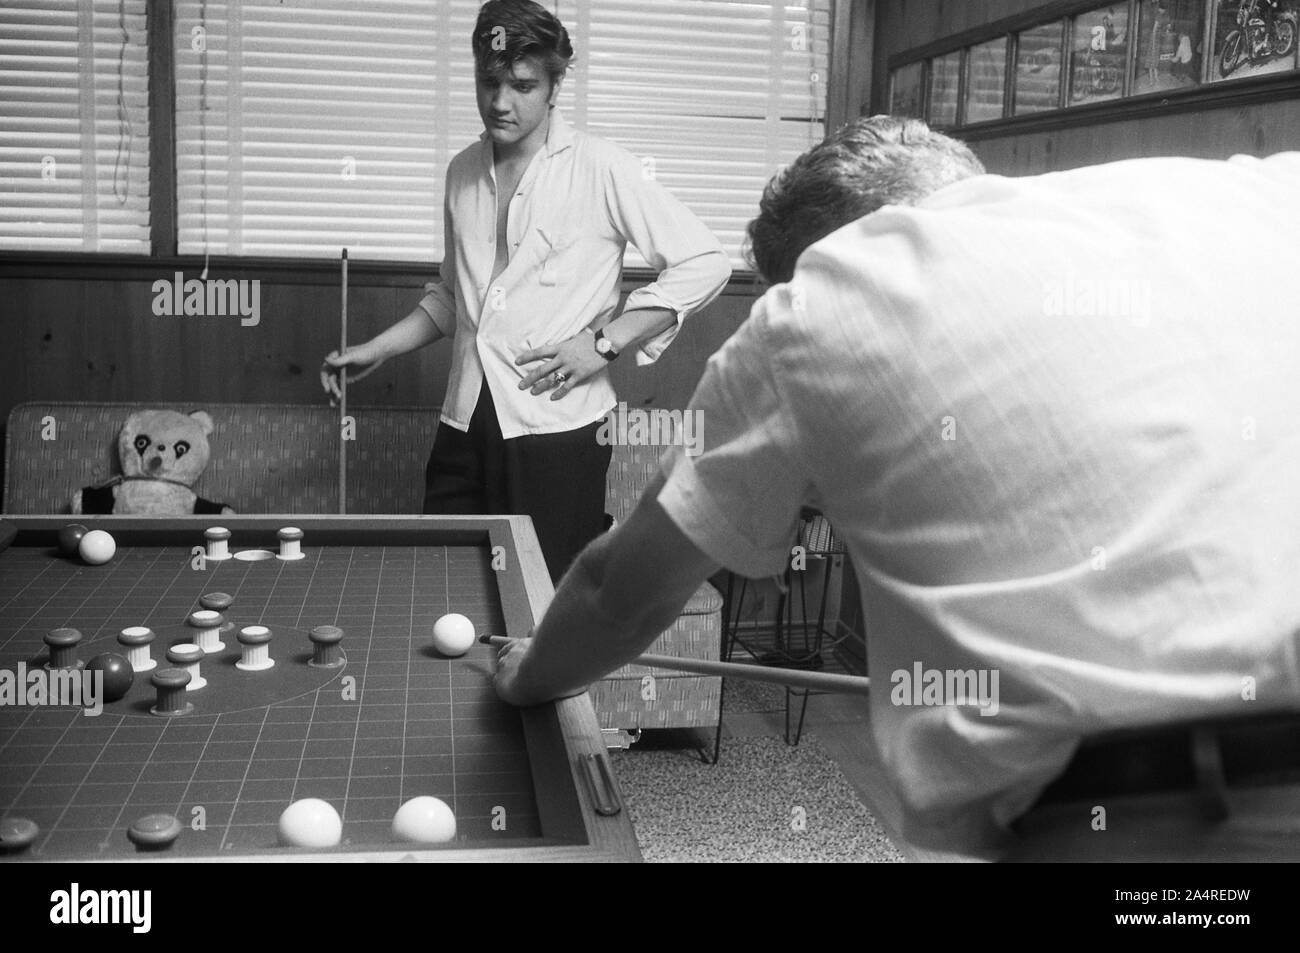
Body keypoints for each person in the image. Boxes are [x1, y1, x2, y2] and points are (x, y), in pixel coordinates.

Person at [493, 115, 1300, 861]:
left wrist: (529, 676)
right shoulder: (1241, 194)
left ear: (829, 252)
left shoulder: (819, 304)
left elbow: (618, 593)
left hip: (1160, 830)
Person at [322, 0, 730, 582]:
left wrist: (606, 343)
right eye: (489, 82)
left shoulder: (601, 166)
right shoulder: (462, 171)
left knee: (545, 601)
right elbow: (456, 296)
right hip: (463, 420)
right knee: (446, 585)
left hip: (556, 429)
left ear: (555, 84)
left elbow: (705, 261)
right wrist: (378, 349)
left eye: (521, 84)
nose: (500, 101)